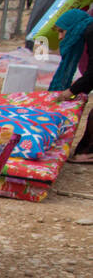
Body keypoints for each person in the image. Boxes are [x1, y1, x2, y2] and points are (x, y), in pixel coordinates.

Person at [50, 9, 93, 164]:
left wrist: (72, 91)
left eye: (62, 31)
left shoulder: (90, 32)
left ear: (73, 26)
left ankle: (87, 153)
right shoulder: (88, 31)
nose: (61, 37)